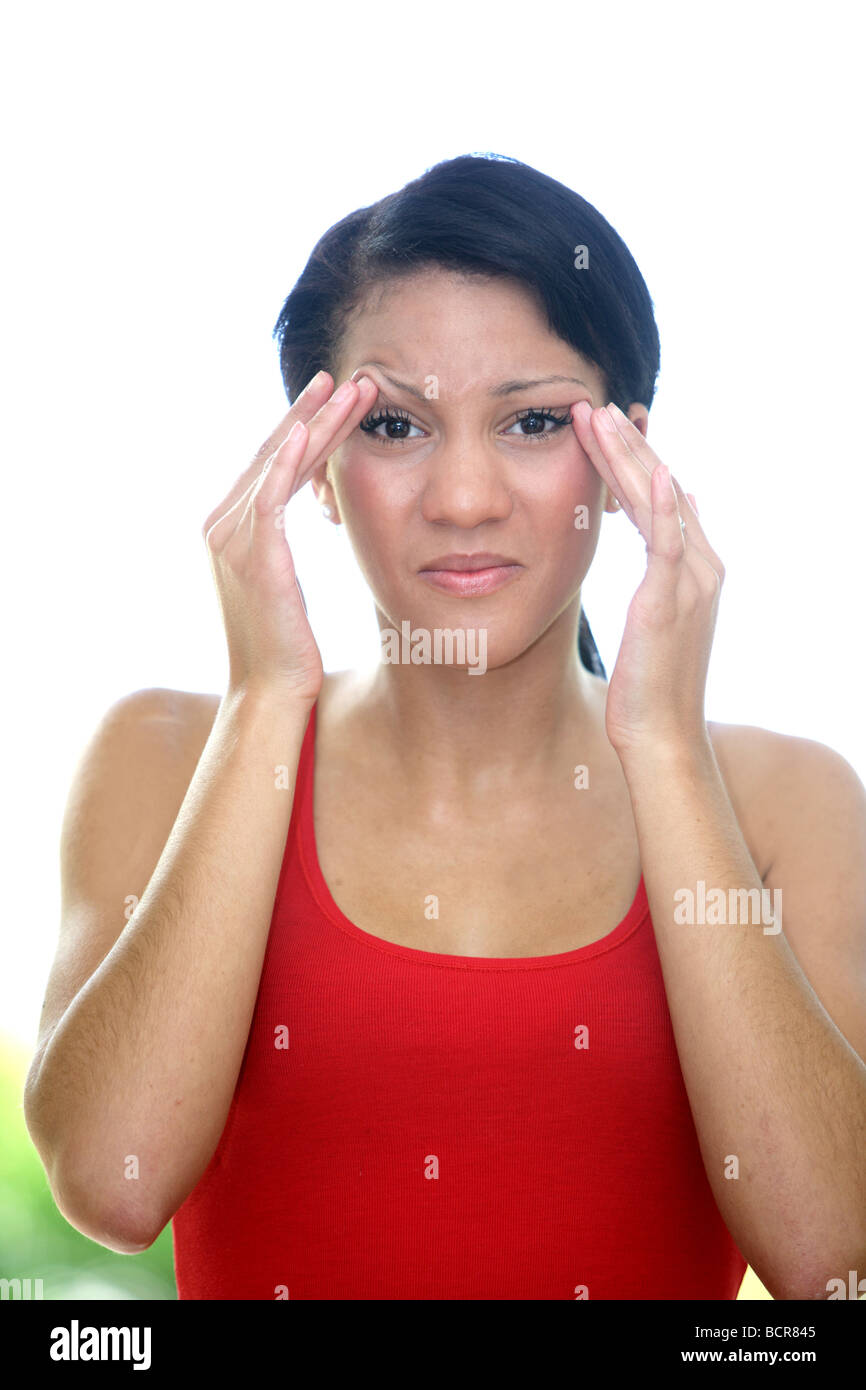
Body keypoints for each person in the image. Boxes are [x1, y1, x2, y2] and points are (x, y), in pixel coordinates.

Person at [23, 154, 866, 1301]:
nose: (463, 499)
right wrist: (269, 694)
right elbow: (112, 1185)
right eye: (394, 426)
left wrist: (663, 748)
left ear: (625, 462)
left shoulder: (784, 800)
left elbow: (831, 1263)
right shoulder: (166, 755)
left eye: (528, 420)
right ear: (309, 468)